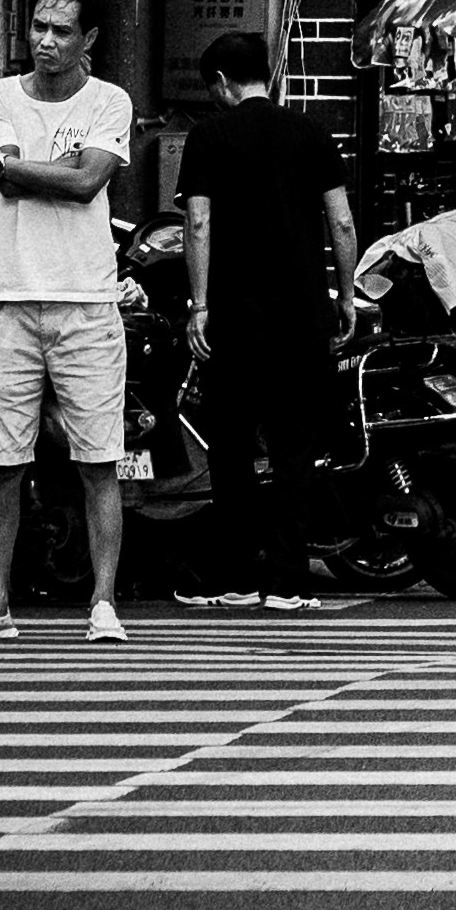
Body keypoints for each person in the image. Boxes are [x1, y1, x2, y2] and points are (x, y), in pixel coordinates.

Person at [0, 0, 134, 647]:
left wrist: (16, 168)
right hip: (10, 297)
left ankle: (103, 603)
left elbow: (90, 181)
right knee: (1, 459)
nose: (45, 41)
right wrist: (45, 168)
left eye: (61, 30)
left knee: (98, 460)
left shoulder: (108, 100)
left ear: (88, 39)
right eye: (38, 26)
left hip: (87, 301)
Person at [171, 34, 356, 613]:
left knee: (230, 448)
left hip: (234, 318)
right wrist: (345, 295)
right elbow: (343, 224)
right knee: (294, 448)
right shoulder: (311, 132)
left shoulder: (207, 137)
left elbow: (197, 227)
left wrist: (199, 305)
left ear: (224, 81)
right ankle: (289, 581)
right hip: (303, 316)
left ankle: (234, 576)